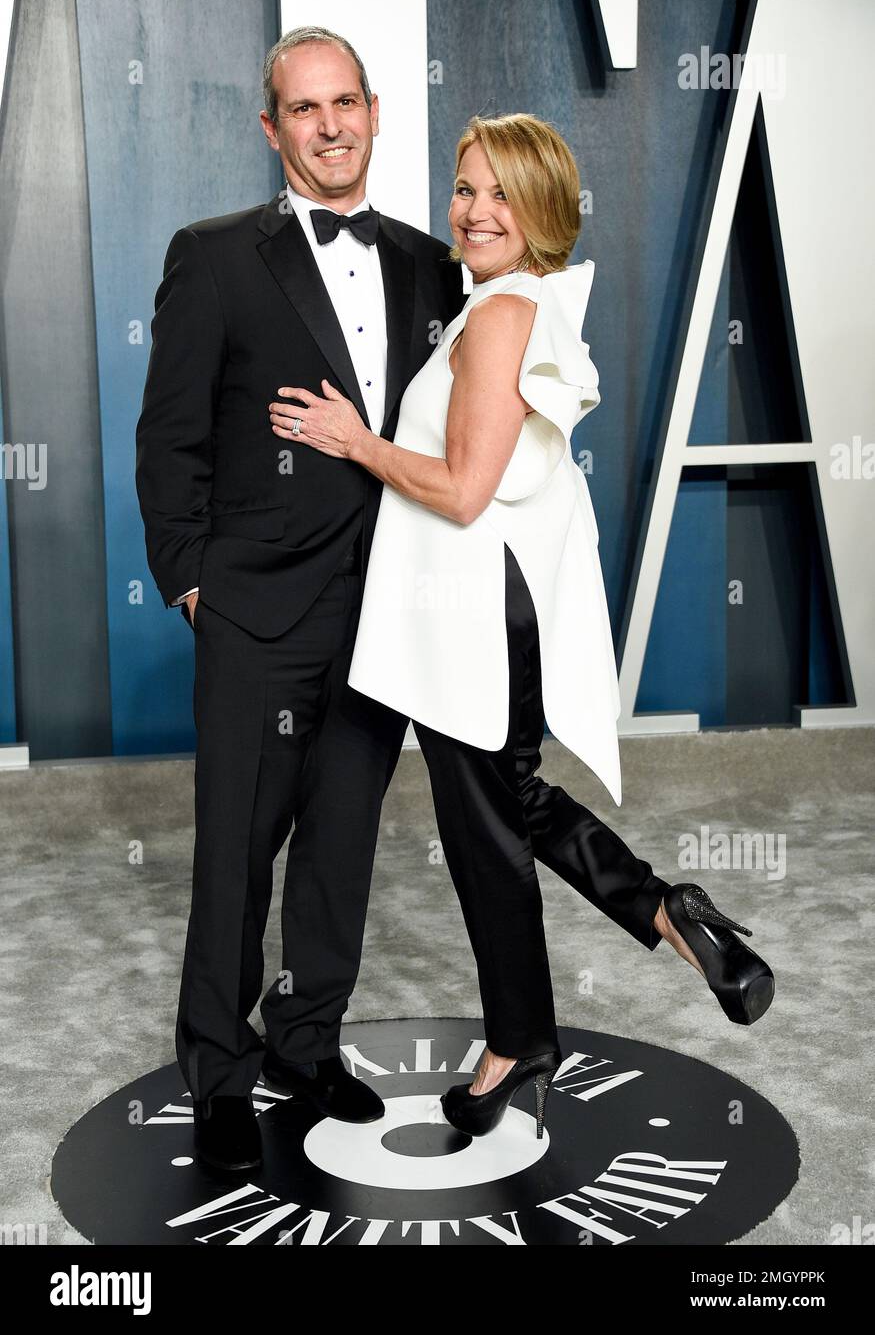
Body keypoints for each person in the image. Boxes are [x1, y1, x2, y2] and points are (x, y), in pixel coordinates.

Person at [268, 112, 776, 1142]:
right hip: (478, 605)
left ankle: (522, 1037)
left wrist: (352, 441)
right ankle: (661, 920)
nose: (474, 209)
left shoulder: (502, 316)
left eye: (499, 192)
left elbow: (460, 491)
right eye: (463, 188)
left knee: (486, 831)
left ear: (542, 209)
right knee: (513, 805)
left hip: (469, 608)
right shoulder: (509, 307)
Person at [135, 25, 464, 1172]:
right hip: (255, 615)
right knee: (236, 854)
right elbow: (169, 435)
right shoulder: (216, 255)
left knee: (340, 846)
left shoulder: (432, 264)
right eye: (304, 109)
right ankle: (218, 1071)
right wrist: (190, 585)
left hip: (387, 611)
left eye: (346, 104)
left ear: (373, 111)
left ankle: (305, 1038)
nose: (329, 126)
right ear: (270, 129)